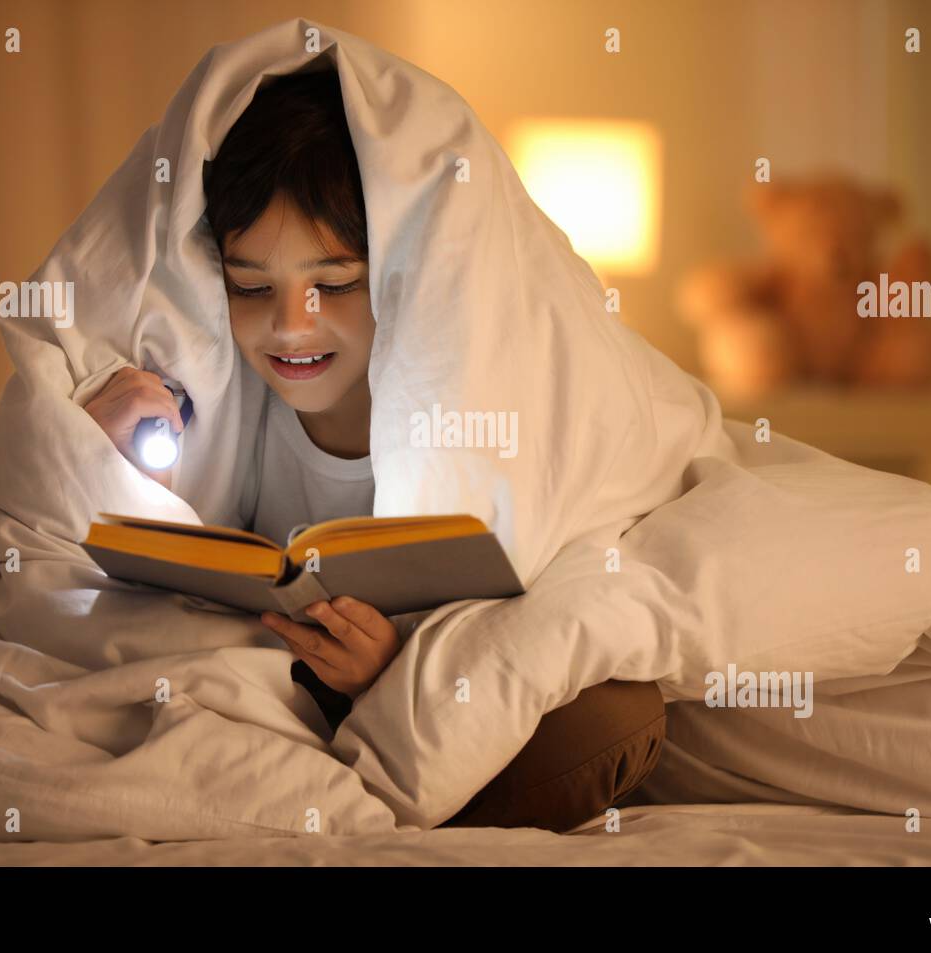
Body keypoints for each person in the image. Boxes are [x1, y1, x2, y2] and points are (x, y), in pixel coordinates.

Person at [83, 68, 665, 832]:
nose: (292, 326)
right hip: (275, 678)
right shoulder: (234, 408)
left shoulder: (468, 404)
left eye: (338, 282)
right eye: (253, 288)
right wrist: (97, 440)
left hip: (417, 697)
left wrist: (391, 672)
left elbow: (530, 599)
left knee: (603, 724)